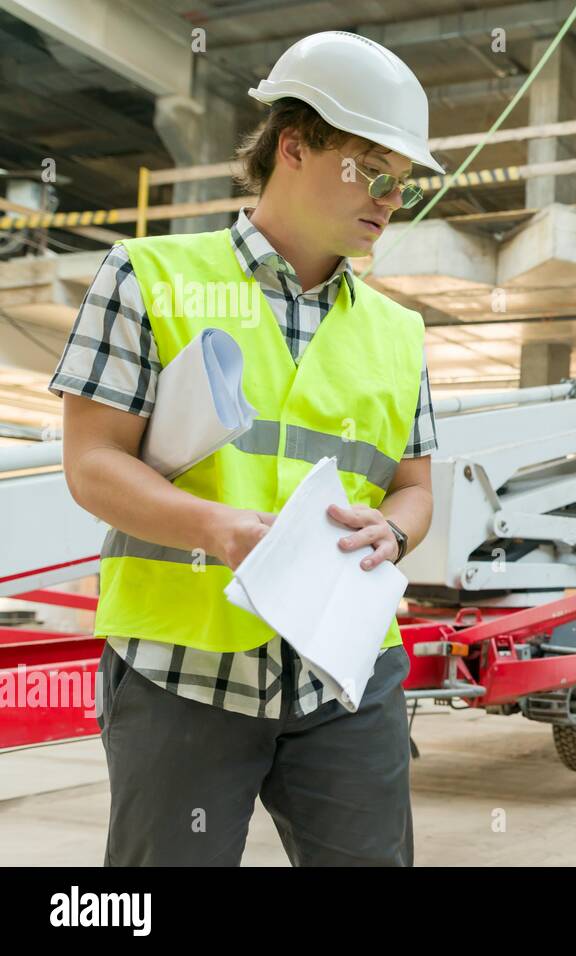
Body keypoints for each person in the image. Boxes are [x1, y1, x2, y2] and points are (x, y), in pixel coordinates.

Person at [50, 32, 443, 866]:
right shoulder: (147, 276)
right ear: (294, 146)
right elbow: (90, 464)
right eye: (373, 171)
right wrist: (217, 531)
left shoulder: (399, 332)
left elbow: (414, 486)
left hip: (346, 675)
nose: (389, 198)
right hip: (181, 672)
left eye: (402, 186)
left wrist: (398, 532)